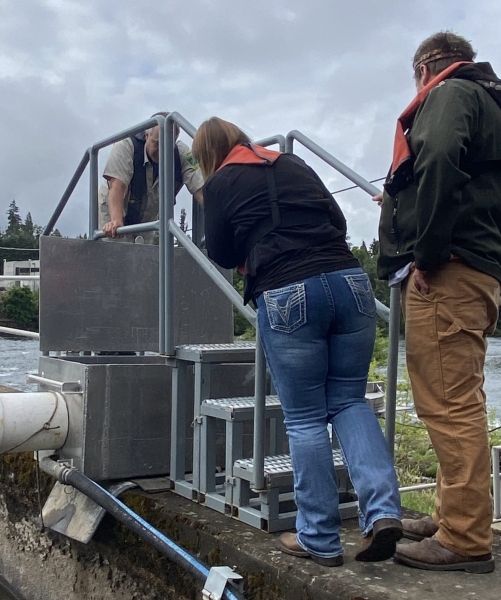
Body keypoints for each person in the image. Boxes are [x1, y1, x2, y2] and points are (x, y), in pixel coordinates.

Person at [194, 117, 402, 567]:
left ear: (207, 156)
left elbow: (222, 253)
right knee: (350, 401)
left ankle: (320, 538)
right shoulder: (290, 161)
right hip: (350, 283)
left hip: (288, 291)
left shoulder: (220, 182)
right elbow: (338, 219)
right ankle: (383, 511)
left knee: (305, 418)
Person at [375, 32, 501, 573]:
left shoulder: (450, 93)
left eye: (415, 74)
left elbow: (436, 154)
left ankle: (463, 539)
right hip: (480, 267)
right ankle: (450, 515)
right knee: (461, 399)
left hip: (449, 271)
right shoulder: (495, 107)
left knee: (447, 404)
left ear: (427, 66)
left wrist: (430, 252)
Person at [99, 112, 204, 242]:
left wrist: (218, 215)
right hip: (115, 209)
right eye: (157, 144)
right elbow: (117, 185)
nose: (162, 150)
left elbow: (200, 188)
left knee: (144, 257)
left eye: (168, 145)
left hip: (147, 219)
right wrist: (116, 221)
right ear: (146, 135)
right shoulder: (125, 146)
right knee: (116, 253)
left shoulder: (182, 154)